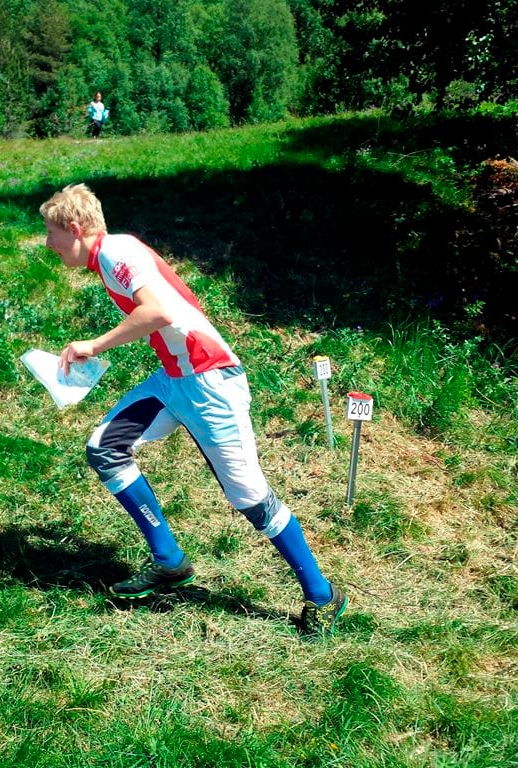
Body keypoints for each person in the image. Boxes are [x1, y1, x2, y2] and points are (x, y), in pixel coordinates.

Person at [39, 183, 348, 638]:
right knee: (105, 448)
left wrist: (95, 344)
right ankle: (168, 561)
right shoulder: (110, 256)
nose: (48, 243)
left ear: (75, 227)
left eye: (51, 233)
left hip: (209, 383)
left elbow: (159, 311)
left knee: (250, 498)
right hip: (175, 380)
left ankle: (322, 595)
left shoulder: (114, 252)